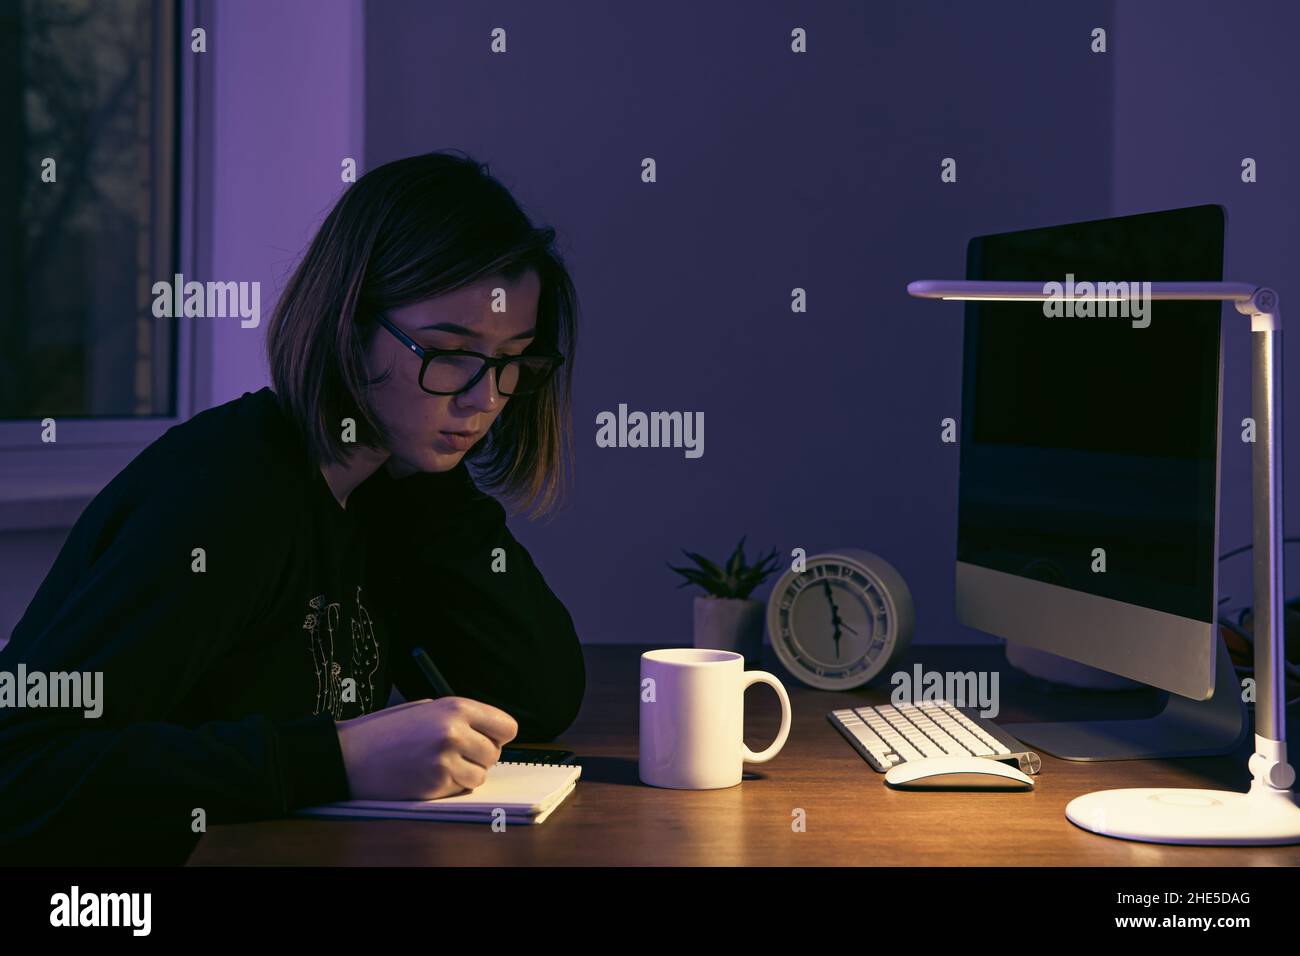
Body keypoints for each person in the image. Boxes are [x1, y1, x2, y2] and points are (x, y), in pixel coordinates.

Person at [0, 151, 585, 865]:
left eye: (510, 360)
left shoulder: (393, 487)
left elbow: (539, 696)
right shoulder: (224, 494)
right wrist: (333, 758)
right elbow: (23, 772)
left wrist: (430, 481)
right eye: (447, 351)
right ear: (348, 323)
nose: (484, 398)